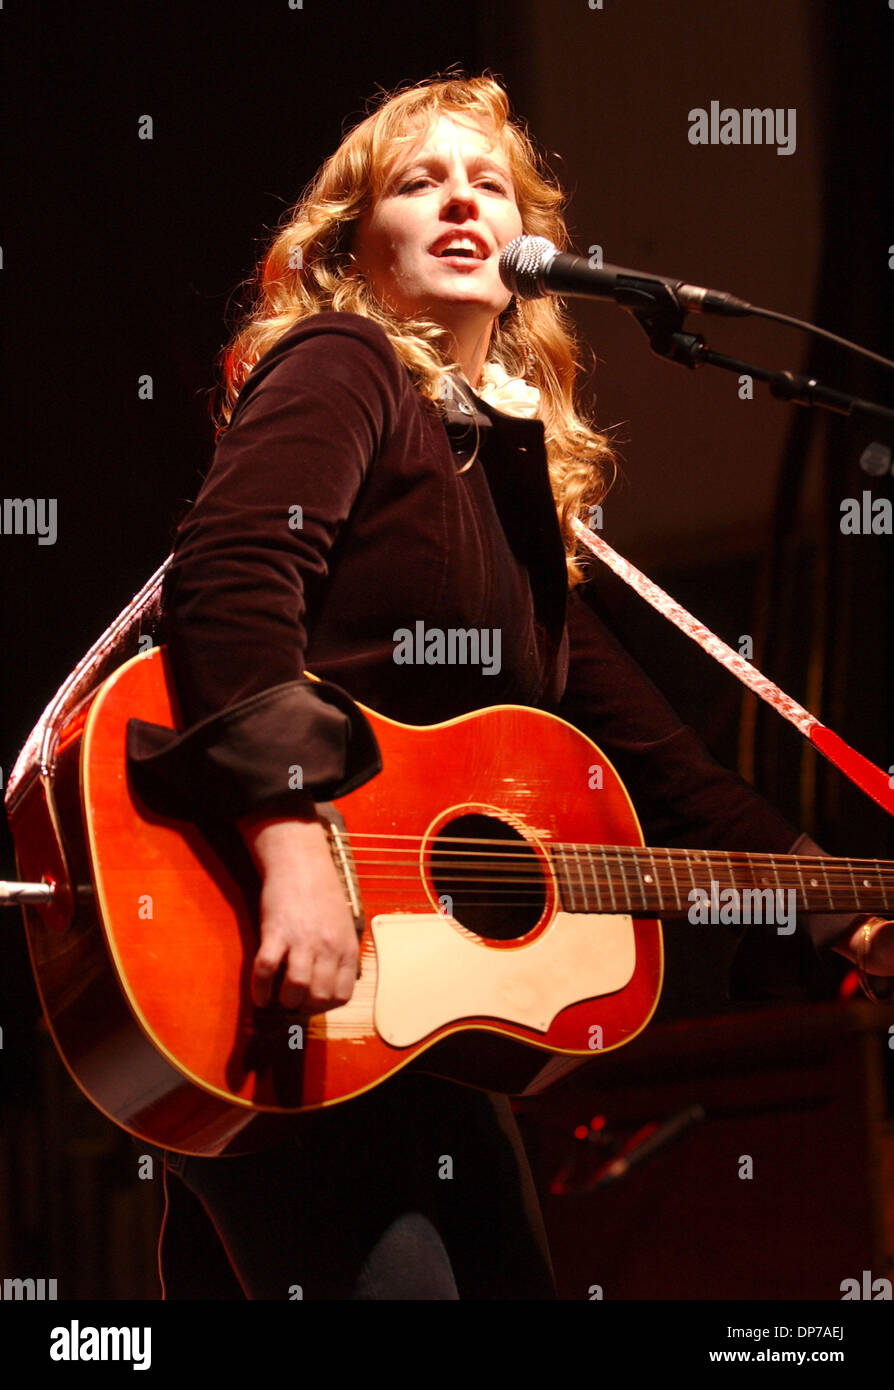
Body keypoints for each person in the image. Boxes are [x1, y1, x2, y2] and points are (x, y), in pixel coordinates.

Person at [129, 72, 894, 1300]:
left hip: (419, 1032)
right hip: (288, 963)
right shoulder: (346, 363)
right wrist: (288, 851)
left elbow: (664, 767)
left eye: (489, 182)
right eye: (417, 182)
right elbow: (229, 577)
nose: (461, 202)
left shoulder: (501, 488)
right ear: (351, 242)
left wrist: (838, 910)